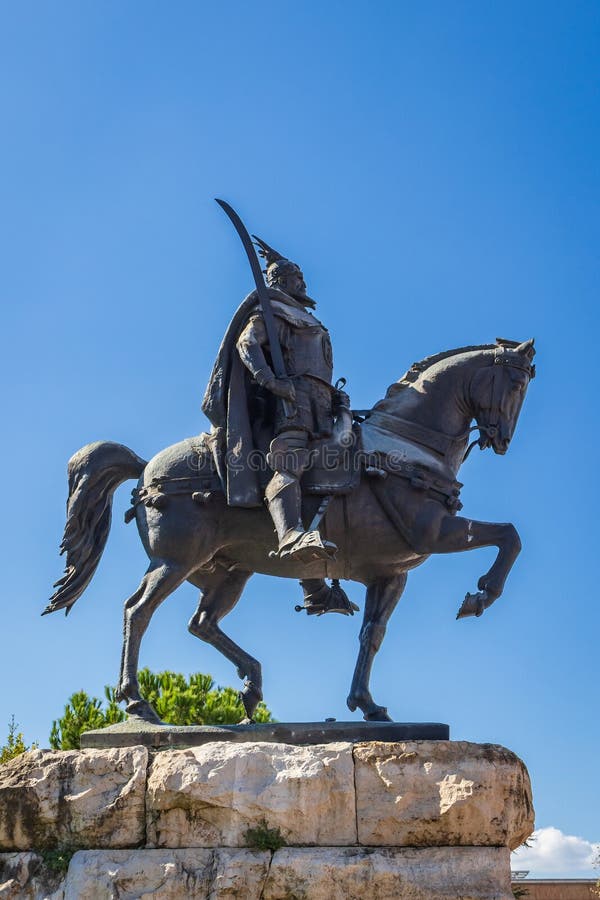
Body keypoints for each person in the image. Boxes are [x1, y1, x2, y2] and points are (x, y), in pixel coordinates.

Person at [202, 236, 349, 563]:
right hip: (291, 404)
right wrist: (270, 382)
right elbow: (248, 344)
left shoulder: (307, 318)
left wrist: (334, 395)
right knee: (291, 463)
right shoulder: (273, 311)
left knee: (340, 467)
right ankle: (290, 536)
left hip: (320, 405)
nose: (304, 282)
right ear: (282, 282)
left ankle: (320, 578)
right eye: (297, 278)